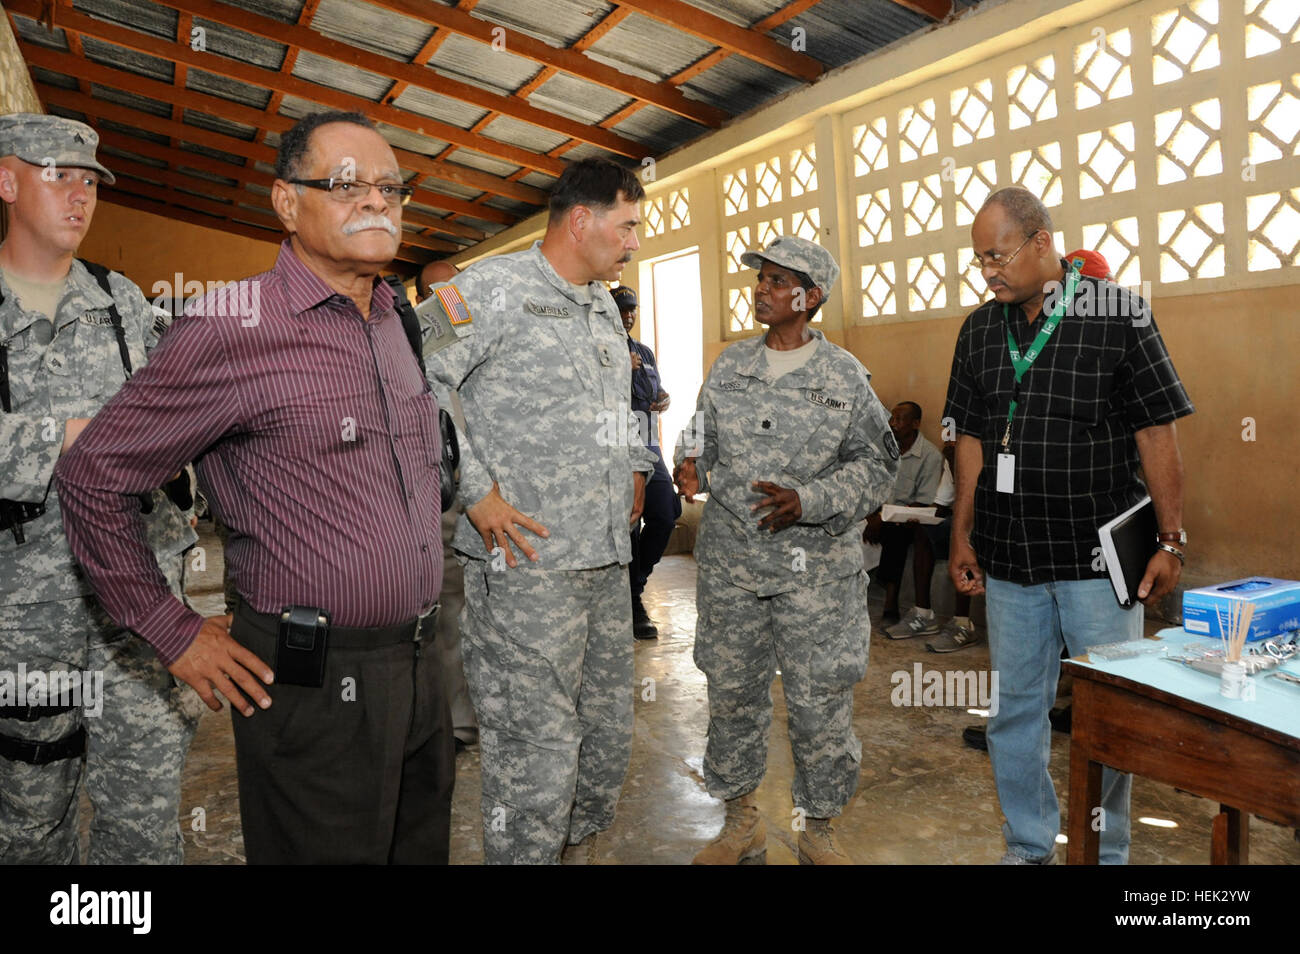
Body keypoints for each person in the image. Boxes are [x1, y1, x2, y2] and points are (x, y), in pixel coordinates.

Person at [55, 110, 453, 864]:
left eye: (391, 188)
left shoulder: (395, 320)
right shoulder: (231, 328)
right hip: (311, 681)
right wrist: (170, 629)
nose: (377, 202)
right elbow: (93, 474)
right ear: (285, 203)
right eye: (345, 185)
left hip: (421, 661)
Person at [945, 187, 1193, 864]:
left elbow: (1155, 430)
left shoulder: (1118, 315)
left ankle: (1105, 854)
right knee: (1015, 714)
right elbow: (969, 437)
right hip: (1012, 560)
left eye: (996, 255)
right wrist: (961, 532)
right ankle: (1029, 846)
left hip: (1097, 563)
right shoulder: (978, 329)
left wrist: (1170, 540)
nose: (987, 270)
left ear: (1041, 243)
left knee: (1110, 715)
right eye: (979, 259)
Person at [421, 157, 656, 864]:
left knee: (604, 737)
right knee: (535, 754)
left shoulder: (599, 307)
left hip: (605, 562)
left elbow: (619, 405)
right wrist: (476, 490)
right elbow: (406, 379)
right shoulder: (488, 289)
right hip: (525, 568)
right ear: (580, 221)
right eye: (628, 226)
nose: (635, 242)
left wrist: (636, 466)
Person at [0, 114, 199, 864]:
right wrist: (76, 436)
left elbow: (184, 416)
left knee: (144, 819)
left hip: (138, 606)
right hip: (21, 616)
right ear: (7, 181)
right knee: (26, 822)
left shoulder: (127, 307)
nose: (80, 195)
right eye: (59, 176)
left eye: (90, 180)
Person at [674, 235, 898, 865]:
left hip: (816, 578)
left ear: (811, 296)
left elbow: (879, 466)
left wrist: (812, 499)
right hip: (732, 569)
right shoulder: (729, 366)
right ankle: (740, 822)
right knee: (732, 694)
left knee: (819, 702)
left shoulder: (845, 376)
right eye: (762, 279)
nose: (762, 289)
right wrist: (688, 461)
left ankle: (819, 829)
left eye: (778, 281)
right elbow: (698, 433)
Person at [611, 285, 680, 639]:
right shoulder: (600, 350)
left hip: (649, 444)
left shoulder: (645, 351)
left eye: (632, 309)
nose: (628, 315)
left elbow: (655, 392)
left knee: (666, 514)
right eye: (622, 309)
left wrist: (663, 399)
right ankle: (632, 602)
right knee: (630, 524)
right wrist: (620, 369)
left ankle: (635, 584)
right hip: (616, 445)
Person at [862, 401, 944, 636]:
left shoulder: (929, 455)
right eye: (892, 419)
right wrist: (871, 517)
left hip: (908, 518)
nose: (893, 424)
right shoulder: (885, 450)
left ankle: (890, 605)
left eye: (899, 420)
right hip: (877, 514)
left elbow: (924, 502)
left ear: (915, 424)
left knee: (896, 533)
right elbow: (870, 487)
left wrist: (885, 518)